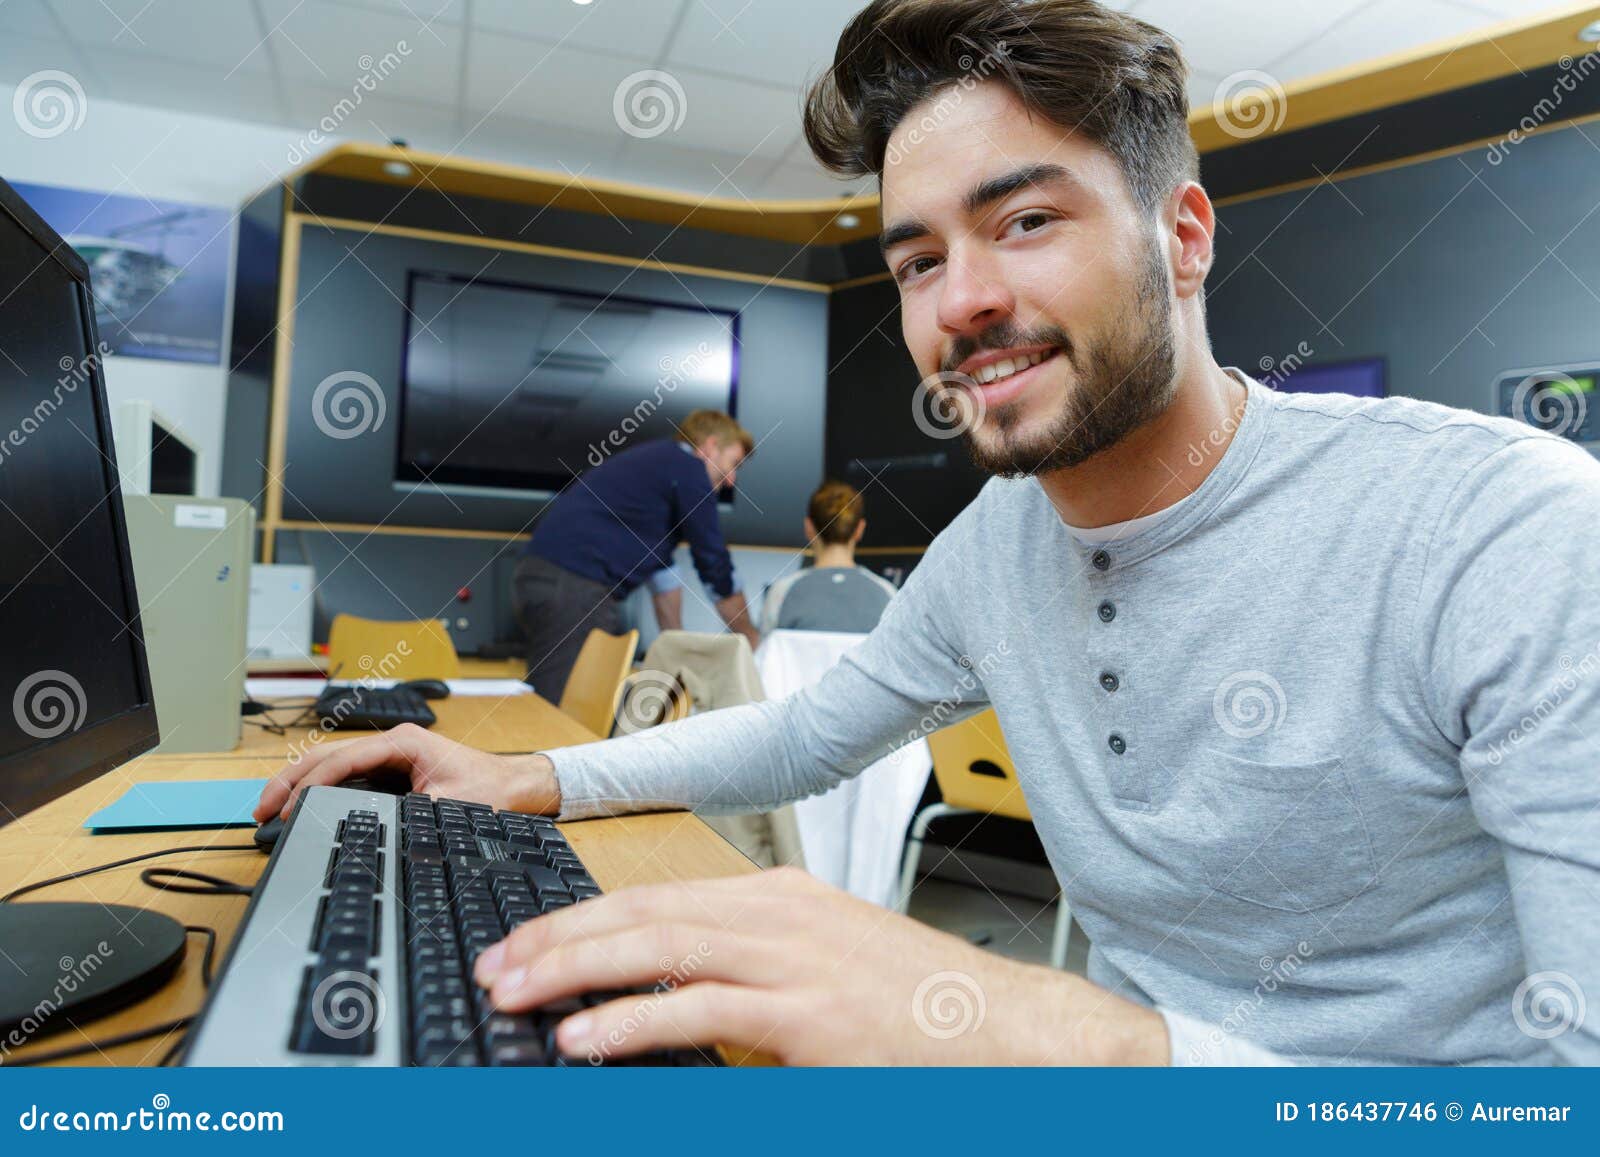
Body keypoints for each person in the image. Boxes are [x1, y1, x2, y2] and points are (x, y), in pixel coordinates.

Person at [260, 0, 1600, 1067]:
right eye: (916, 261)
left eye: (1026, 220)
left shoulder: (1504, 529)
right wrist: (530, 780)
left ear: (1183, 237)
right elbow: (804, 734)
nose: (961, 303)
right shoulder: (996, 542)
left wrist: (1056, 1033)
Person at [511, 410, 760, 700]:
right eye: (733, 464)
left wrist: (679, 658)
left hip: (545, 580)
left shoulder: (658, 470)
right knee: (565, 708)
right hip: (573, 589)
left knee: (582, 701)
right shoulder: (690, 468)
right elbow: (714, 565)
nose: (731, 480)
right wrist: (751, 642)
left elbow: (664, 578)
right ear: (710, 447)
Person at [760, 480, 898, 634]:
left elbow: (766, 647)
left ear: (808, 527)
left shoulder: (781, 593)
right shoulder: (888, 595)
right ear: (860, 529)